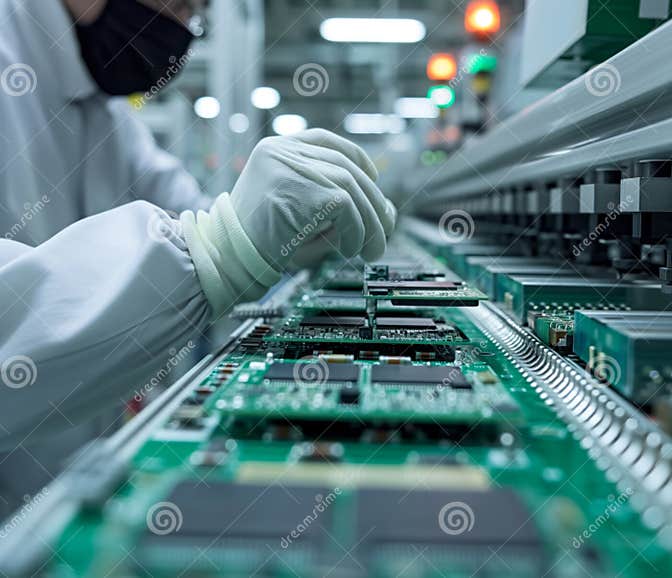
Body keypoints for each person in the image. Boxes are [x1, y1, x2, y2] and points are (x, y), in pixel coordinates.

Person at [0, 0, 396, 450]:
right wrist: (219, 252)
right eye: (184, 4)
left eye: (198, 12)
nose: (185, 25)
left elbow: (190, 214)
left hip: (73, 478)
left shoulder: (105, 114)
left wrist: (286, 235)